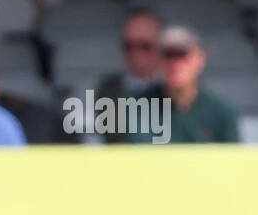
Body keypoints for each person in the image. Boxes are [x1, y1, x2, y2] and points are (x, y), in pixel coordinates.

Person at [130, 26, 239, 144]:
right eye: (168, 55)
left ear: (199, 59)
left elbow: (233, 159)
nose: (175, 63)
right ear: (158, 61)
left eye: (182, 54)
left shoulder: (221, 112)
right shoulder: (138, 107)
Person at [94, 9, 164, 141]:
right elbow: (115, 135)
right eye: (129, 46)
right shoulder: (109, 89)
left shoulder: (179, 86)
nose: (136, 53)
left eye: (145, 46)